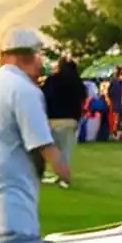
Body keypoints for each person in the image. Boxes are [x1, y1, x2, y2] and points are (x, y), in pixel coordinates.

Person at [0, 28, 70, 243]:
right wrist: (65, 172)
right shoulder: (24, 90)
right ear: (31, 57)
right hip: (10, 211)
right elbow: (43, 145)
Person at [41, 57, 85, 187]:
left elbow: (44, 97)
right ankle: (62, 177)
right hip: (71, 120)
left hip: (54, 119)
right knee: (66, 150)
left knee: (54, 150)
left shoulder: (53, 81)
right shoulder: (78, 83)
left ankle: (61, 176)